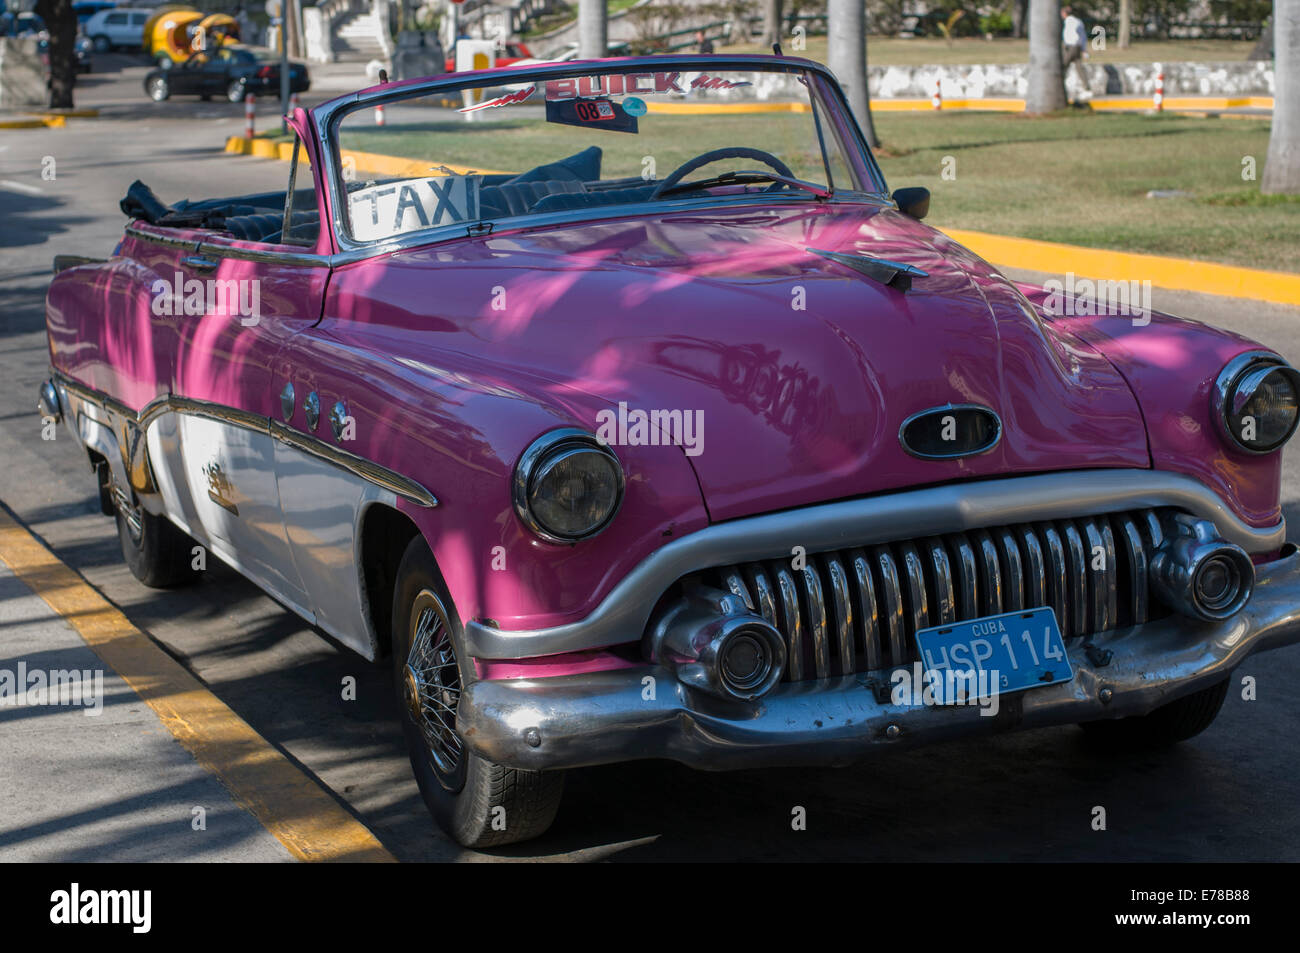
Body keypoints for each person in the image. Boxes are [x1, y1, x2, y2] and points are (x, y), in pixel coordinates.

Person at [1060, 5, 1088, 103]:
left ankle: (1059, 85)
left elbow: (1068, 36)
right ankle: (1086, 86)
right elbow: (1083, 36)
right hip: (1078, 46)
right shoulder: (1078, 21)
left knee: (1063, 65)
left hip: (1070, 47)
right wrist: (1084, 50)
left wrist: (1065, 46)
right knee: (1079, 66)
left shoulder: (1069, 22)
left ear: (1065, 13)